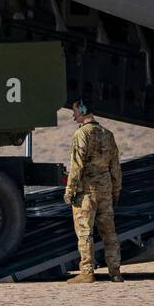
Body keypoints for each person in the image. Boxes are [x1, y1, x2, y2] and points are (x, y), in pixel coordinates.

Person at [64, 100, 123, 283]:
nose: (73, 115)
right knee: (109, 233)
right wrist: (116, 190)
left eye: (75, 111)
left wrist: (69, 191)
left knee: (84, 232)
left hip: (86, 192)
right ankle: (115, 272)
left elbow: (76, 166)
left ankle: (87, 271)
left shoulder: (81, 134)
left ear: (82, 111)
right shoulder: (108, 134)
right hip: (105, 190)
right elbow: (115, 167)